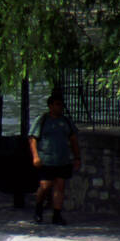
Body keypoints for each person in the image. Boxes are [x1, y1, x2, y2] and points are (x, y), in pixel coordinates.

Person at [29, 91, 81, 225]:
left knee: (60, 186)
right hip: (47, 159)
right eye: (57, 104)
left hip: (62, 159)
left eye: (61, 105)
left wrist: (77, 157)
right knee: (45, 186)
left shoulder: (66, 122)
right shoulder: (42, 120)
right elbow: (33, 139)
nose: (60, 107)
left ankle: (56, 215)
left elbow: (73, 140)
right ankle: (38, 209)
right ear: (50, 105)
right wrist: (35, 156)